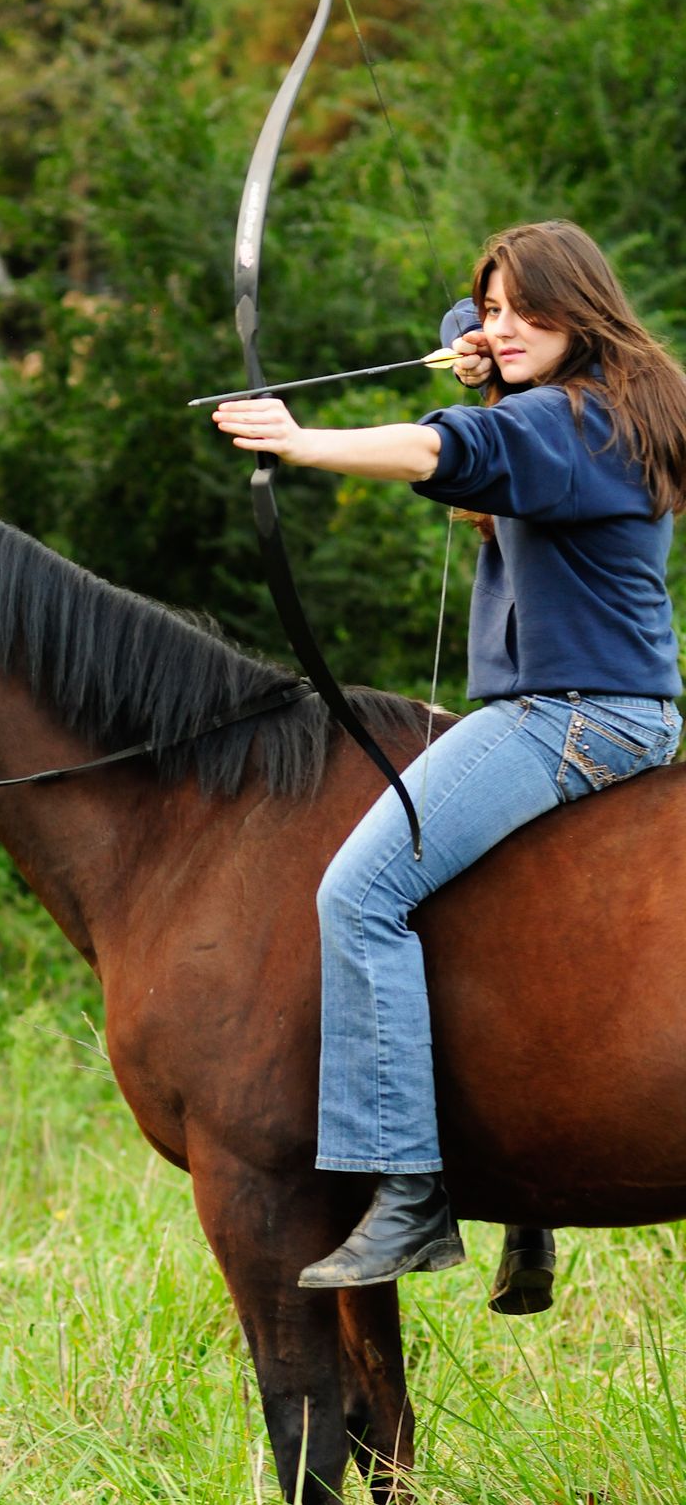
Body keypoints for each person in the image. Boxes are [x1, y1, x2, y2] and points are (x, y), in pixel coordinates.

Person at [213, 220, 686, 1304]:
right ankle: (528, 1199)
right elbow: (486, 363)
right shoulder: (613, 398)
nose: (500, 327)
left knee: (360, 892)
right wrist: (474, 338)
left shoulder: (567, 425)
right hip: (606, 710)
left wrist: (299, 441)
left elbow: (446, 451)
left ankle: (412, 1193)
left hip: (568, 716)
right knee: (479, 909)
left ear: (582, 310)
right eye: (490, 308)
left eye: (526, 308)